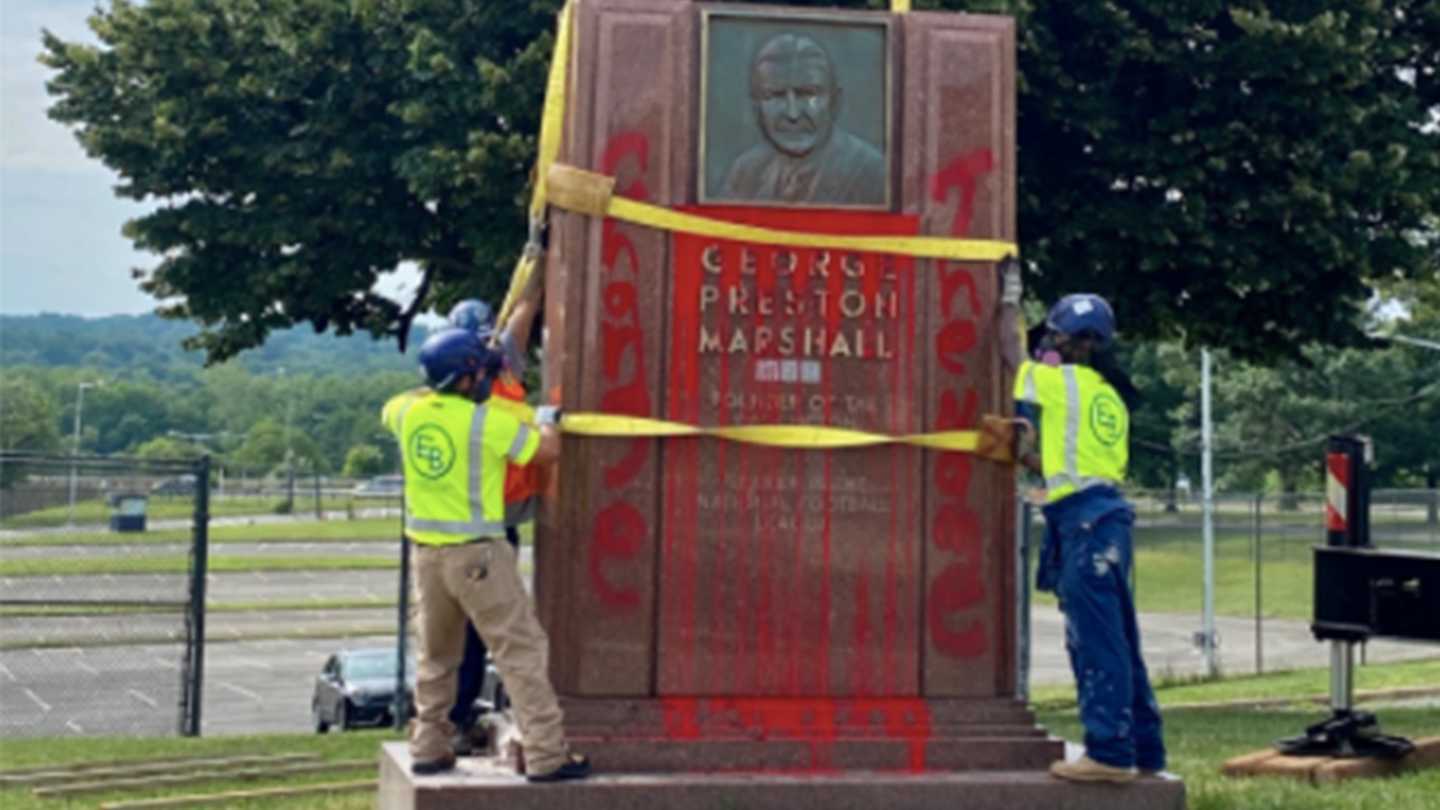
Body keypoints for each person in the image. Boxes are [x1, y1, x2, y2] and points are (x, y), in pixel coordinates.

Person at [382, 327, 588, 781]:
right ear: (463, 378)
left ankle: (429, 746)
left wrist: (454, 368)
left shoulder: (404, 413)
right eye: (477, 372)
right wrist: (547, 417)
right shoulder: (488, 424)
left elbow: (410, 395)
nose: (484, 380)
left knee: (436, 658)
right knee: (520, 652)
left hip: (427, 557)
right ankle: (546, 755)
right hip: (479, 557)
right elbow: (546, 451)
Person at [1012, 292, 1165, 784]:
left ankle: (1109, 754)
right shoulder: (1109, 398)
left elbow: (1009, 359)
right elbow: (1075, 463)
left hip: (1085, 524)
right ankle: (1145, 750)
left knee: (1095, 640)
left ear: (1057, 339)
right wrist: (1031, 463)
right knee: (1120, 638)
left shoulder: (1055, 382)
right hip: (1105, 516)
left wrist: (1007, 317)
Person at [442, 291, 545, 753]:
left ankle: (451, 723)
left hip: (455, 530)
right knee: (498, 634)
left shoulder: (437, 394)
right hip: (485, 530)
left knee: (460, 637)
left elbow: (521, 319)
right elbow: (520, 321)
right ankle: (462, 722)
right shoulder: (495, 389)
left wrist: (536, 257)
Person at [719, 32, 886, 205]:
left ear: (835, 101)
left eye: (808, 94)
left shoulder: (871, 174)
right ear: (756, 106)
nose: (793, 114)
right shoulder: (746, 172)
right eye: (775, 96)